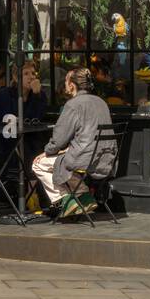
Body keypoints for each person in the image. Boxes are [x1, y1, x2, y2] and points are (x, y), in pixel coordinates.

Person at [32, 68, 115, 217]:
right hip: (106, 159)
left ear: (72, 85)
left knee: (38, 164)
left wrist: (48, 151)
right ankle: (83, 195)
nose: (64, 84)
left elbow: (58, 139)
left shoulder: (73, 105)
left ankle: (68, 199)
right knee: (62, 161)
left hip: (84, 159)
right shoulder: (101, 102)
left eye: (66, 81)